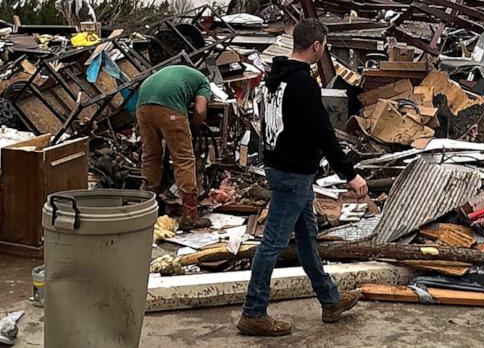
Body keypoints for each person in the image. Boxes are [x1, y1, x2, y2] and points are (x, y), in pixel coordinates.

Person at [238, 19, 368, 337]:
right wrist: (349, 174)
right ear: (316, 46)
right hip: (293, 172)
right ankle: (253, 313)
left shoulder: (272, 79)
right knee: (272, 244)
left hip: (281, 167)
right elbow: (323, 132)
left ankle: (330, 300)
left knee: (308, 239)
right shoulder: (303, 84)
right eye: (324, 46)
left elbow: (266, 125)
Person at [135, 63, 211, 227]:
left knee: (150, 156)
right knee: (183, 159)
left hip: (143, 106)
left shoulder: (171, 71)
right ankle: (190, 216)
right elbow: (199, 110)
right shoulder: (203, 81)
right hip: (169, 108)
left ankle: (146, 209)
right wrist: (195, 127)